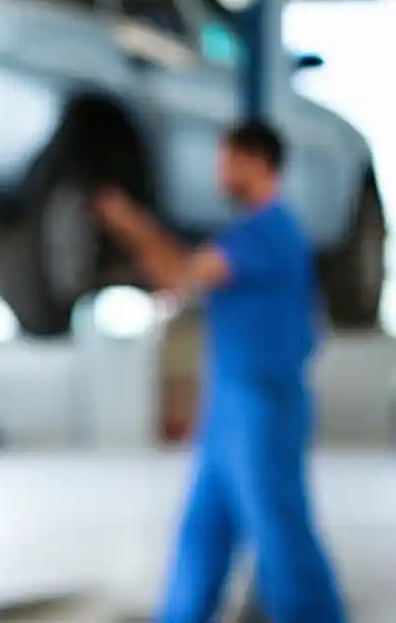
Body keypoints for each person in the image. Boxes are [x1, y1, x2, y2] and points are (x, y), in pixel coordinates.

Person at [95, 121, 345, 623]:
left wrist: (127, 220)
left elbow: (179, 275)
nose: (219, 172)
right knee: (203, 534)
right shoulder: (256, 231)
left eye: (226, 159)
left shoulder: (268, 231)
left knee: (280, 534)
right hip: (230, 407)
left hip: (263, 407)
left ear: (255, 161)